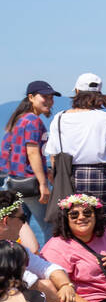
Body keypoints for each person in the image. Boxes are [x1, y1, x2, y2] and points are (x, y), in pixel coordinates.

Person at [45, 74, 106, 234]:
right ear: (99, 93)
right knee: (105, 228)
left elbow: (54, 156)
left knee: (73, 228)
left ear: (76, 91)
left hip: (70, 178)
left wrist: (58, 181)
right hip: (100, 177)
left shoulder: (60, 118)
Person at [1, 79, 59, 247]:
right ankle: (48, 262)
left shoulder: (19, 119)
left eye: (51, 97)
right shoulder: (33, 121)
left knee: (15, 225)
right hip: (30, 183)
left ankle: (16, 260)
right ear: (31, 97)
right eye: (45, 97)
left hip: (13, 182)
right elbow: (33, 153)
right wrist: (43, 184)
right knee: (50, 226)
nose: (49, 101)